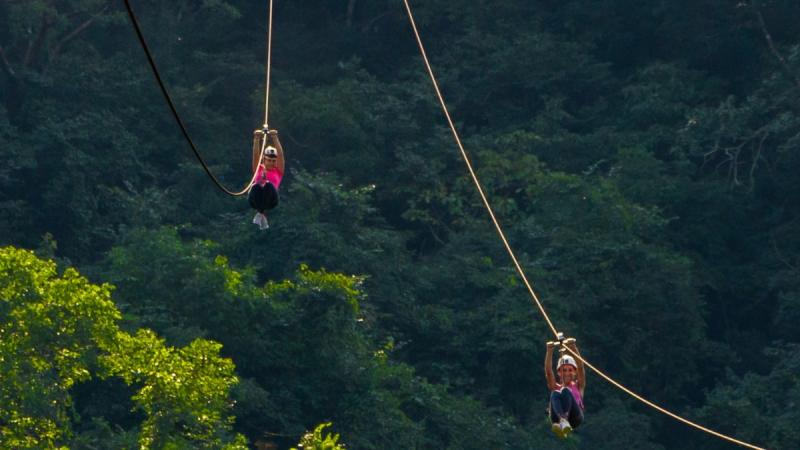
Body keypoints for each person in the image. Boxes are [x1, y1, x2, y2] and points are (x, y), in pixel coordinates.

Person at [544, 337, 585, 439]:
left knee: (565, 390)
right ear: (558, 373)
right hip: (557, 420)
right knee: (555, 393)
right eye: (564, 370)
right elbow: (549, 372)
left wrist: (573, 347)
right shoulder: (555, 387)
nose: (567, 373)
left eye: (570, 370)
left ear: (574, 372)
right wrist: (549, 351)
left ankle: (564, 420)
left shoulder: (578, 386)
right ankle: (562, 420)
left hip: (575, 418)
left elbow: (580, 367)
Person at [248, 128, 284, 230]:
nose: (272, 163)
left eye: (274, 161)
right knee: (256, 186)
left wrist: (275, 137)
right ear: (264, 159)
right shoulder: (258, 169)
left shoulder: (278, 171)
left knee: (268, 185)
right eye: (269, 160)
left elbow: (280, 155)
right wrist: (256, 139)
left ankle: (262, 211)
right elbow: (255, 155)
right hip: (256, 200)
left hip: (271, 201)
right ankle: (260, 211)